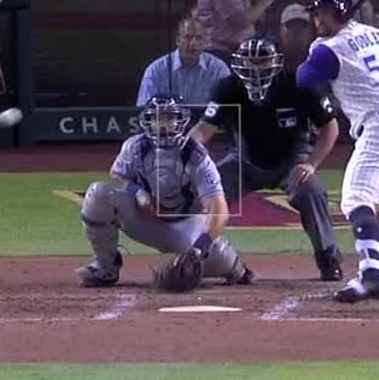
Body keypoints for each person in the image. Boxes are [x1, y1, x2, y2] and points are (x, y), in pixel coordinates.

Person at [296, 0, 379, 304]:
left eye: (321, 11)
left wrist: (316, 48)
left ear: (338, 11)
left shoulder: (328, 49)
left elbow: (303, 79)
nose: (315, 18)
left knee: (356, 199)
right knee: (364, 203)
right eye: (315, 12)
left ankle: (372, 276)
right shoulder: (377, 34)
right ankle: (373, 271)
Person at [191, 37, 345, 281]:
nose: (255, 67)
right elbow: (203, 130)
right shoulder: (227, 88)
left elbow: (330, 127)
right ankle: (202, 256)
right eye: (250, 61)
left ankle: (328, 256)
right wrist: (182, 154)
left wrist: (311, 163)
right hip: (243, 161)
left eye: (262, 61)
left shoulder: (300, 84)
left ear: (276, 62)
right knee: (198, 192)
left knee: (311, 190)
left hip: (292, 161)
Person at [75, 96, 254, 287]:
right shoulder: (135, 147)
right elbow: (117, 177)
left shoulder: (196, 156)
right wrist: (137, 192)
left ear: (180, 120)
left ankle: (234, 265)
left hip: (185, 228)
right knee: (99, 194)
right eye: (158, 118)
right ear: (148, 121)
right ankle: (105, 267)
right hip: (145, 220)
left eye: (169, 118)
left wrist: (198, 248)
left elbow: (219, 210)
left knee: (221, 263)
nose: (163, 124)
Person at [135, 15, 230, 106]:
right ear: (178, 40)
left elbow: (229, 108)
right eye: (188, 37)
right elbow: (143, 109)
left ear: (205, 42)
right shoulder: (156, 71)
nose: (193, 43)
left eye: (199, 38)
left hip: (208, 122)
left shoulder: (219, 70)